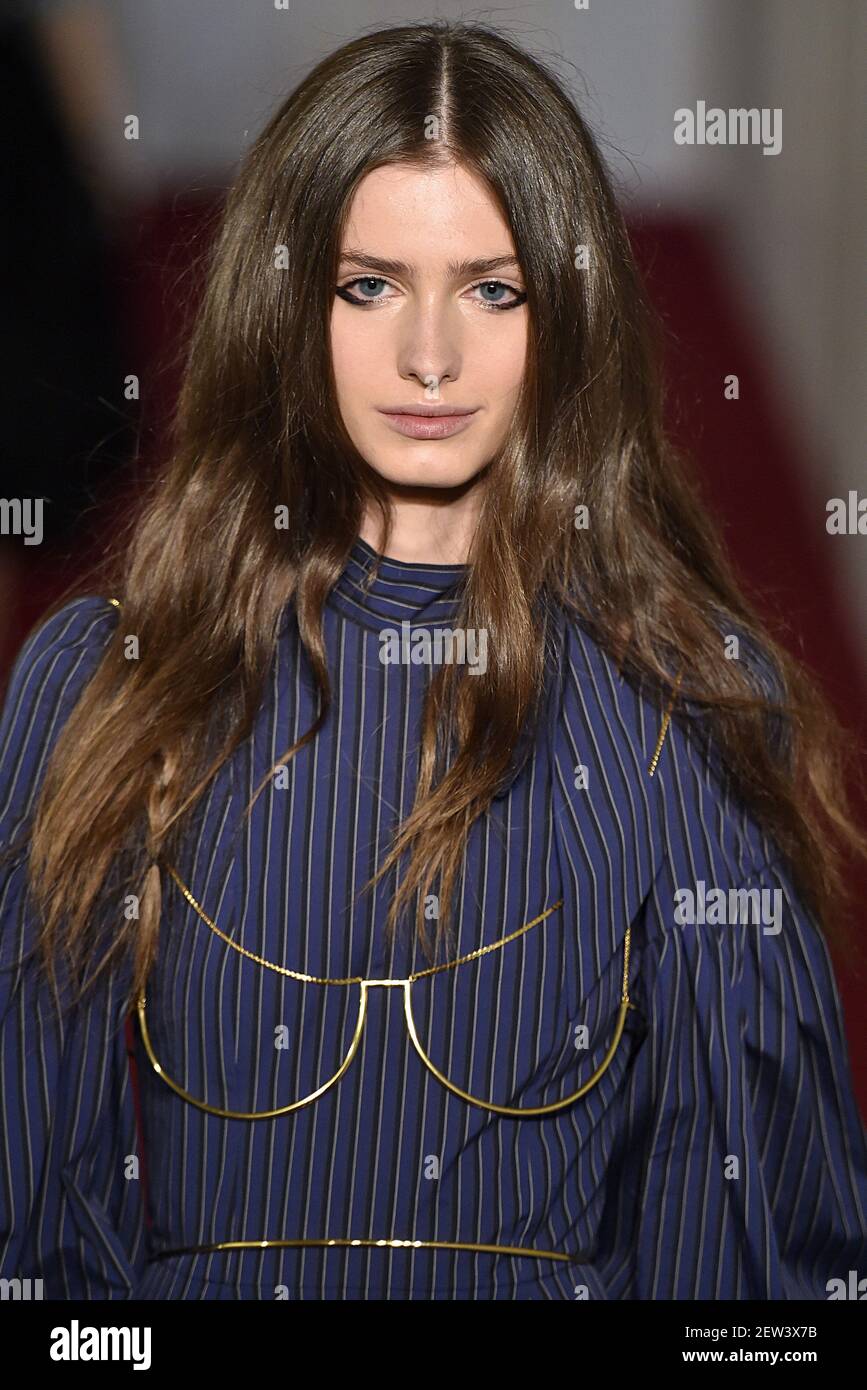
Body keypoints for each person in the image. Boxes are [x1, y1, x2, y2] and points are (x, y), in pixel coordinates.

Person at [1, 19, 865, 1302]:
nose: (429, 357)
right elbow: (39, 1251)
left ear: (563, 317)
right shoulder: (108, 683)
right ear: (287, 305)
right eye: (371, 285)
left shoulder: (681, 709)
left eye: (491, 288)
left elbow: (744, 1282)